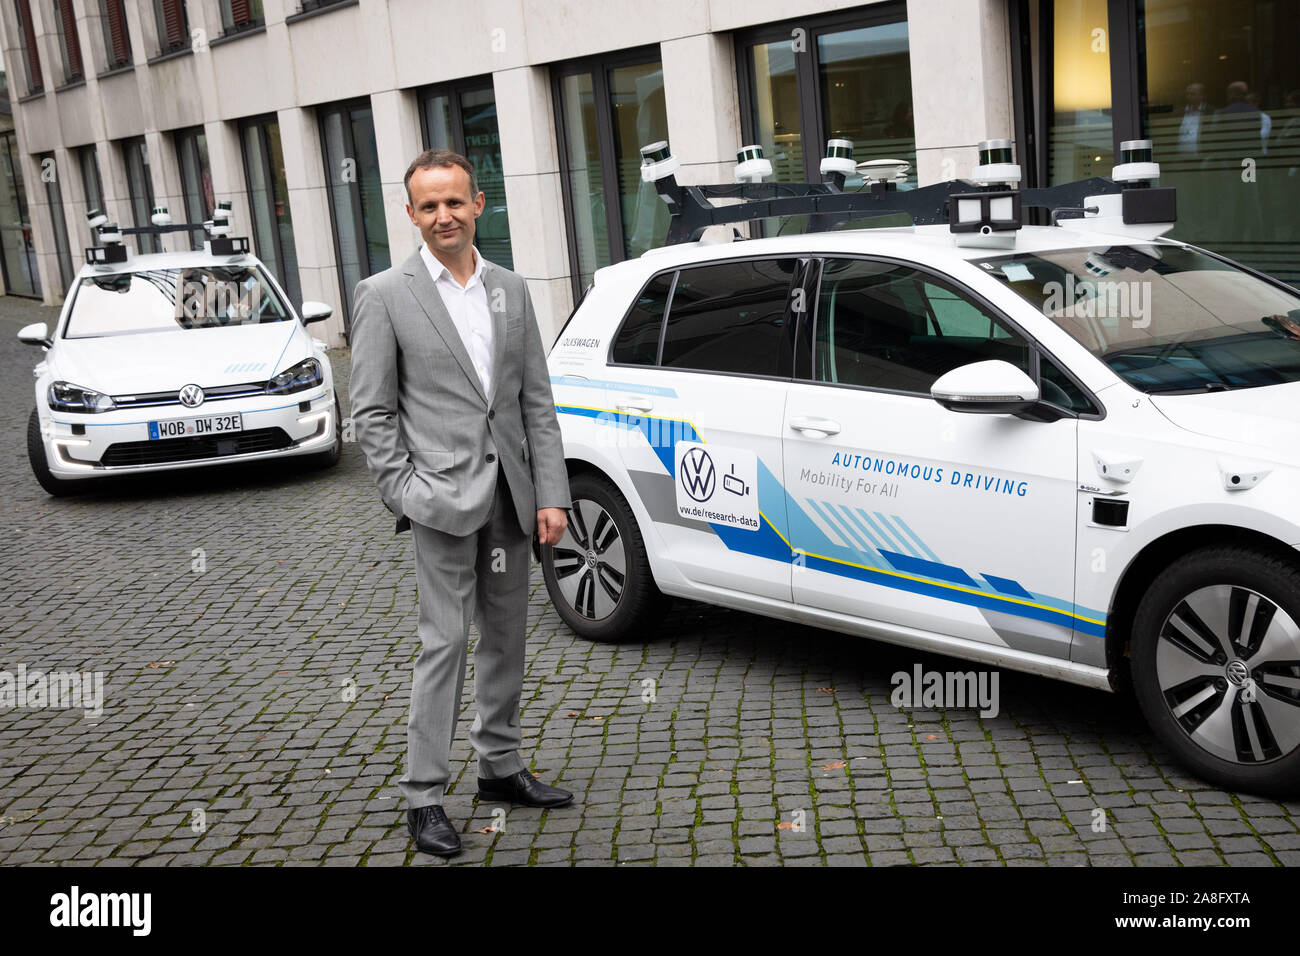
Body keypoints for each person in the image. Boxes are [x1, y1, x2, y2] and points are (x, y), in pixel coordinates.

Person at [349, 148, 574, 858]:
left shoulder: (509, 288)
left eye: (455, 201)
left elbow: (535, 400)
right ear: (411, 214)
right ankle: (423, 797)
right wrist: (406, 494)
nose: (444, 215)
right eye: (429, 205)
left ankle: (501, 767)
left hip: (511, 499)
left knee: (507, 639)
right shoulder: (385, 293)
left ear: (478, 204)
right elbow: (372, 414)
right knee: (443, 645)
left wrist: (551, 493)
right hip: (439, 505)